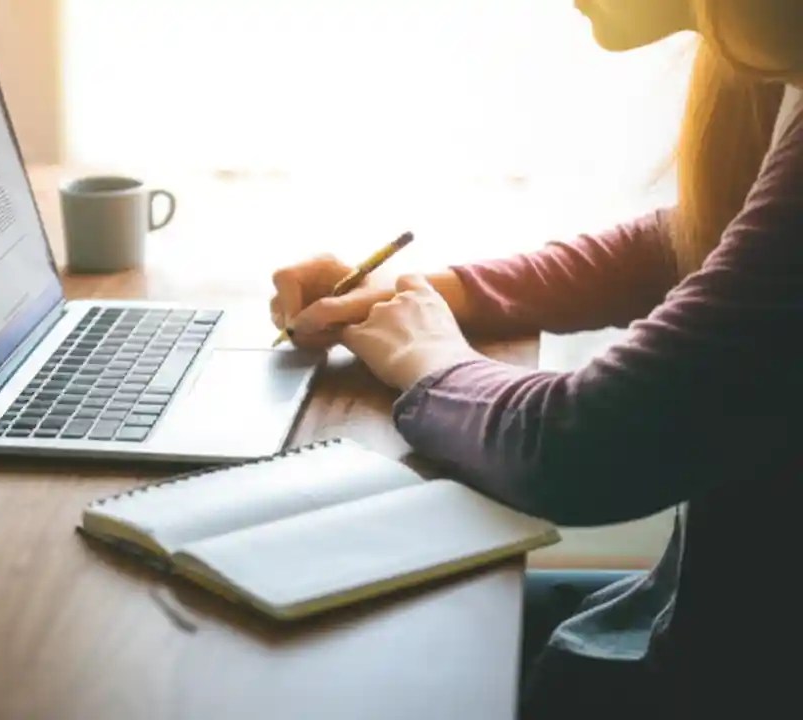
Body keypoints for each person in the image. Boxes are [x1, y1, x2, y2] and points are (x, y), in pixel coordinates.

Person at [269, 1, 802, 718]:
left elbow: (585, 448)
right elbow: (703, 236)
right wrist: (438, 295)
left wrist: (431, 361)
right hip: (705, 612)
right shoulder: (779, 57)